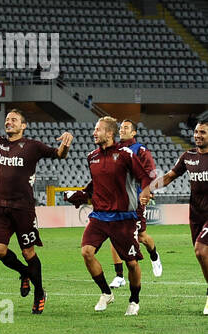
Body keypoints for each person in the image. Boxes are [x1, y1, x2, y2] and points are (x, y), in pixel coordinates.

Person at [0, 84, 72, 314]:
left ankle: (39, 293)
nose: (9, 122)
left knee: (29, 253)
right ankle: (25, 273)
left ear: (23, 125)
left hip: (24, 209)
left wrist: (65, 144)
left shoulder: (32, 146)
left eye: (14, 119)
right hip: (0, 208)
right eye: (8, 119)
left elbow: (59, 154)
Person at [67, 117, 156, 316]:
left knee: (132, 263)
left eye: (97, 129)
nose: (93, 133)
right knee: (86, 252)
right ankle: (106, 293)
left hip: (124, 217)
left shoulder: (125, 154)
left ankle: (134, 300)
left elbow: (143, 176)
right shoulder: (91, 156)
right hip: (99, 216)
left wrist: (145, 192)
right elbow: (95, 185)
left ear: (109, 133)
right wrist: (79, 196)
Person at [139, 121, 208, 314]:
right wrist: (149, 188)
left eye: (202, 132)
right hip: (195, 216)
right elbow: (169, 176)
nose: (197, 135)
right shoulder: (188, 156)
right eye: (196, 132)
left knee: (201, 251)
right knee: (202, 255)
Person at [109, 119, 162, 286]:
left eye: (126, 128)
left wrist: (149, 191)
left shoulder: (140, 150)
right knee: (114, 235)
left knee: (141, 236)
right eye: (121, 128)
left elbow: (151, 172)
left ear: (134, 133)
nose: (122, 130)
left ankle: (154, 255)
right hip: (116, 200)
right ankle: (119, 276)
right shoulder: (114, 149)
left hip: (136, 200)